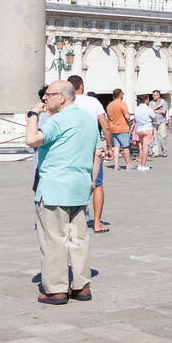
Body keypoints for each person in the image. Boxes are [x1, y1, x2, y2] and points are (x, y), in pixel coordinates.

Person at [23, 80, 100, 304]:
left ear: (62, 97)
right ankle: (81, 285)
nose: (45, 99)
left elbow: (31, 140)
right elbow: (97, 154)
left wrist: (32, 114)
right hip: (80, 187)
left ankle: (56, 289)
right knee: (78, 239)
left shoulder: (58, 120)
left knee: (53, 239)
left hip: (55, 188)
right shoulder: (88, 120)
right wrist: (92, 182)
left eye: (49, 95)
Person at [67, 75, 110, 233]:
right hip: (92, 148)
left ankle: (72, 222)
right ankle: (97, 223)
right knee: (97, 185)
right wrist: (110, 146)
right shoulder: (93, 102)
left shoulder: (65, 102)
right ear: (82, 86)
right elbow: (105, 126)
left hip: (70, 149)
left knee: (71, 182)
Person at [105, 89, 133, 169]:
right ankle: (128, 164)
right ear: (120, 95)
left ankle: (116, 165)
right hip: (122, 128)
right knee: (125, 147)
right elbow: (127, 116)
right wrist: (129, 117)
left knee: (116, 147)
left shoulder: (109, 106)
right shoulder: (122, 104)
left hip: (113, 128)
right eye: (123, 94)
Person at [133, 94, 155, 170]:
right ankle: (143, 166)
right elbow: (154, 119)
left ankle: (140, 165)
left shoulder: (136, 109)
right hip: (147, 129)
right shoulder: (149, 109)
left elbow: (135, 119)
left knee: (141, 147)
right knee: (145, 147)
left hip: (139, 130)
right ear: (146, 100)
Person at [149, 90, 169, 158]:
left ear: (158, 95)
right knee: (154, 138)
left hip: (162, 121)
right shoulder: (151, 102)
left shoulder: (163, 102)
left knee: (162, 137)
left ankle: (164, 151)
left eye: (154, 95)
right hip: (153, 122)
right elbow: (149, 111)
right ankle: (155, 152)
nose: (153, 96)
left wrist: (154, 110)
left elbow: (164, 111)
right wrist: (158, 108)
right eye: (152, 95)